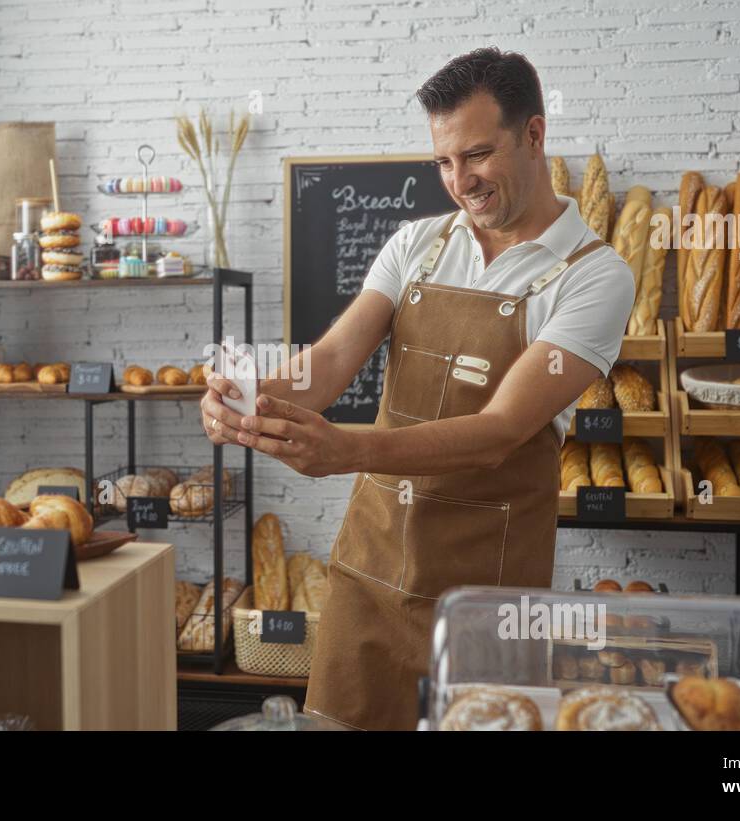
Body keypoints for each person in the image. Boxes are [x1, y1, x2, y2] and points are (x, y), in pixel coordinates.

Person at [199, 47, 635, 730]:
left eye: (477, 155)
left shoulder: (593, 276)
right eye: (443, 162)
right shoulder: (418, 244)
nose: (460, 181)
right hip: (370, 578)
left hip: (486, 600)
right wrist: (251, 398)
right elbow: (333, 361)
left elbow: (498, 433)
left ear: (535, 135)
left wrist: (345, 450)